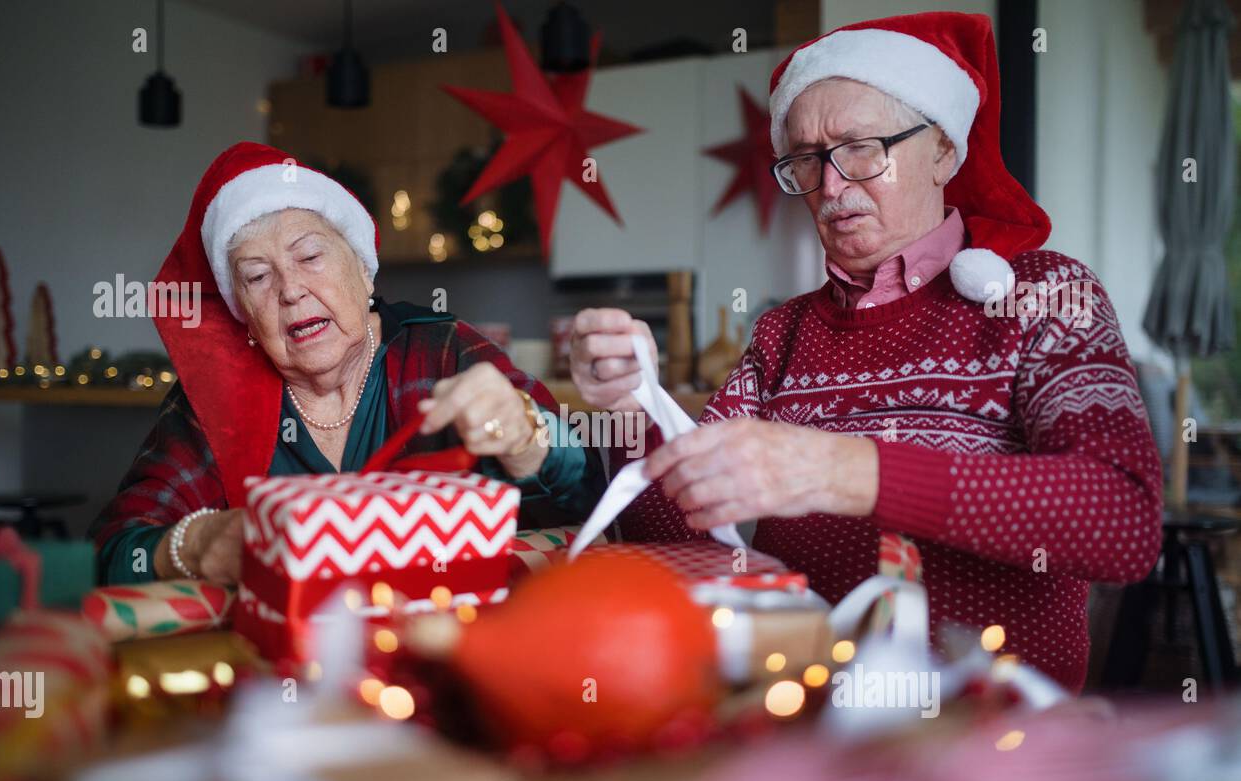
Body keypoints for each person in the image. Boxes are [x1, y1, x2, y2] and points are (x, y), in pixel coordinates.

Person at [569, 12, 1162, 691]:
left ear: (943, 148)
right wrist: (631, 405)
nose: (830, 187)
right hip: (801, 715)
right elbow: (679, 535)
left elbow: (1124, 518)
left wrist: (841, 470)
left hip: (991, 735)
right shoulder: (779, 334)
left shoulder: (1044, 293)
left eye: (859, 149)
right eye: (805, 160)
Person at [91, 142, 602, 586]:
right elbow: (110, 551)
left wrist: (524, 439)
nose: (290, 290)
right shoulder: (213, 400)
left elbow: (586, 502)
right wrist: (199, 543)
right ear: (242, 314)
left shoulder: (442, 352)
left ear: (362, 267)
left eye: (309, 256)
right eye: (257, 277)